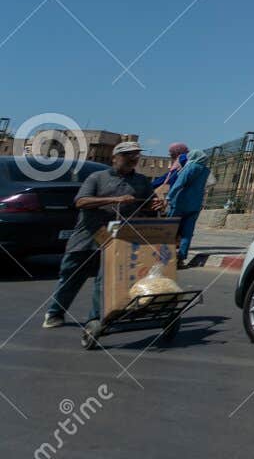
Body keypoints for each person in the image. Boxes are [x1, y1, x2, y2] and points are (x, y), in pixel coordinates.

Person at [43, 141, 164, 329]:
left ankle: (96, 319)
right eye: (127, 155)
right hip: (87, 235)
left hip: (116, 237)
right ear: (115, 158)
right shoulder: (97, 177)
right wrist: (115, 199)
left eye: (136, 155)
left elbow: (148, 203)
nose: (133, 158)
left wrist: (156, 204)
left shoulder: (141, 181)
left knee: (105, 278)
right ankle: (55, 312)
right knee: (72, 276)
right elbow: (81, 202)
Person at [162, 143, 211, 267]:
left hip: (180, 202)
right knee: (187, 233)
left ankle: (165, 256)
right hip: (195, 205)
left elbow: (179, 183)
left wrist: (168, 197)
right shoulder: (206, 170)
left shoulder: (191, 167)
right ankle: (181, 258)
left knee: (170, 229)